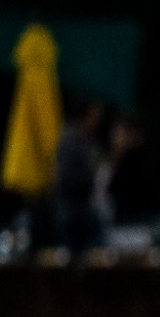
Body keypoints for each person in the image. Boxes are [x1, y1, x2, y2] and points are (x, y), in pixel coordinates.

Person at [52, 100, 105, 252]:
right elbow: (65, 178)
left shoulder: (88, 139)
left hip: (86, 214)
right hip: (71, 216)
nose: (98, 120)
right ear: (86, 115)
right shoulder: (69, 140)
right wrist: (92, 173)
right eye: (95, 115)